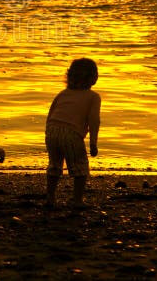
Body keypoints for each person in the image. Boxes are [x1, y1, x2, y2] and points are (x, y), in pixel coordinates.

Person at [45, 58, 101, 208]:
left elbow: (51, 113)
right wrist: (93, 143)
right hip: (71, 133)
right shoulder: (93, 97)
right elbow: (94, 120)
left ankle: (50, 198)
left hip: (52, 130)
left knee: (54, 165)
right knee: (80, 166)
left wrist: (48, 133)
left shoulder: (63, 93)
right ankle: (77, 200)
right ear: (92, 78)